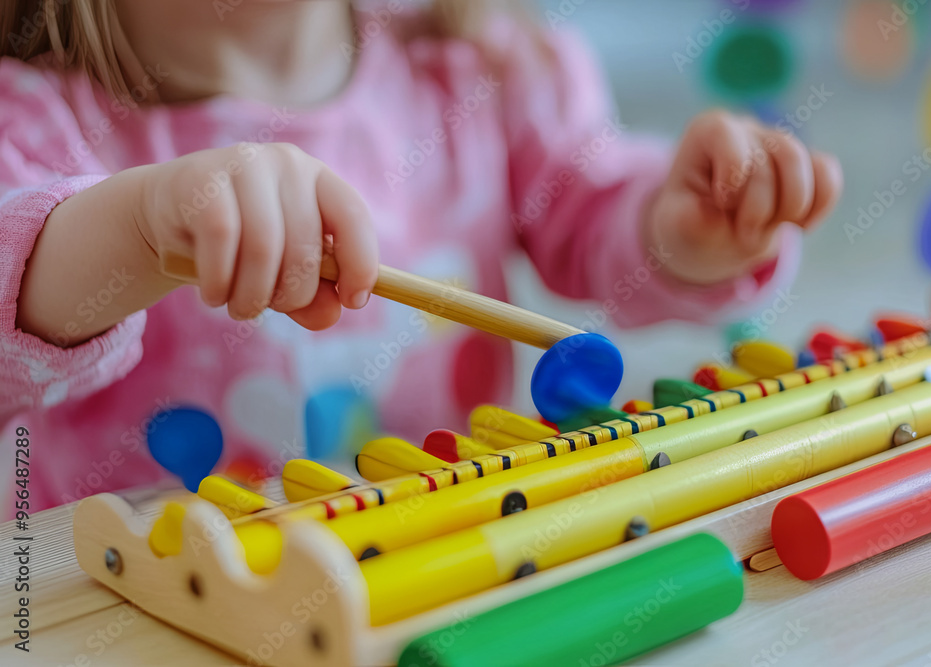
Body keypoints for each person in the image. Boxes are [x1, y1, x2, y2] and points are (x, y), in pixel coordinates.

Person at [0, 0, 842, 513]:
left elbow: (596, 219)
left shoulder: (481, 66)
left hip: (435, 573)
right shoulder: (33, 112)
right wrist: (140, 227)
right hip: (148, 612)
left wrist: (681, 231)